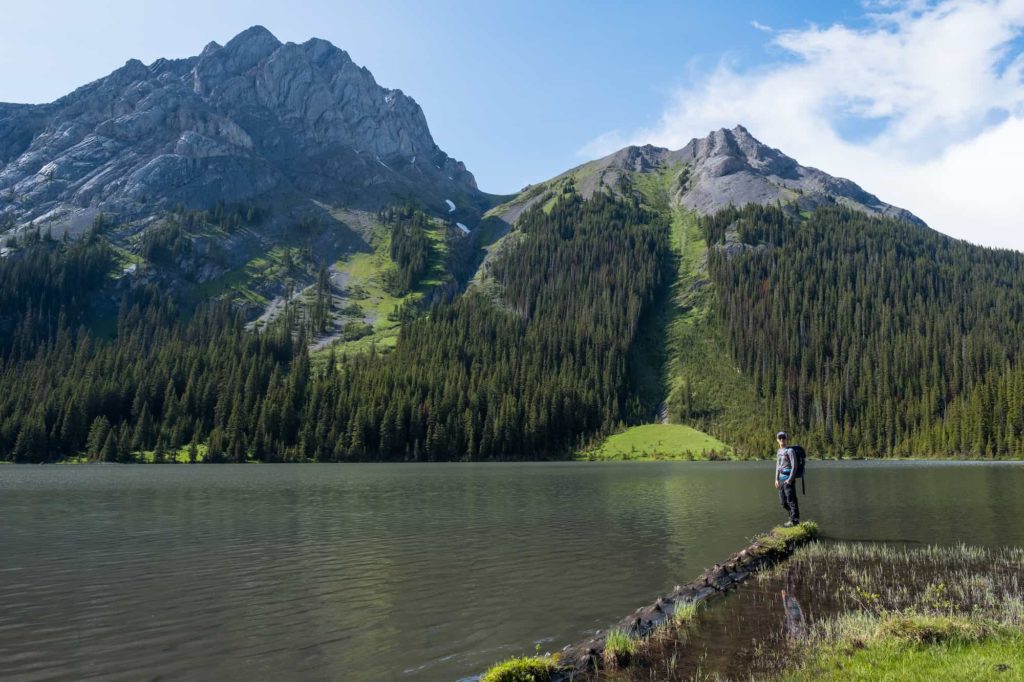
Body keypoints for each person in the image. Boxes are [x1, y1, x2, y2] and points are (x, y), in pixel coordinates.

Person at [774, 431, 800, 527]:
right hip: (780, 480)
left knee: (791, 500)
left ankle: (795, 521)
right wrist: (776, 479)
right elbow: (777, 466)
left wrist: (790, 479)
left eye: (783, 437)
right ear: (777, 440)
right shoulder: (779, 451)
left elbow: (794, 466)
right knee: (783, 502)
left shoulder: (790, 451)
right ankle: (791, 518)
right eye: (780, 438)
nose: (782, 439)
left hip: (788, 480)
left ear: (786, 439)